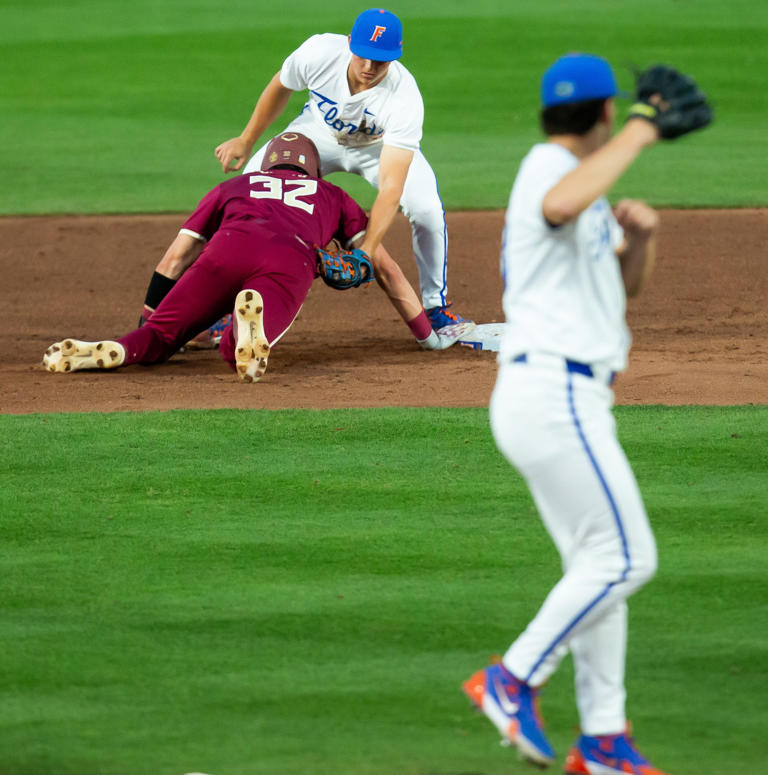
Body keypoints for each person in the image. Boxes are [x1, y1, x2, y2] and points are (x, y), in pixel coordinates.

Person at [461, 56, 712, 773]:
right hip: (553, 395)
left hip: (560, 396)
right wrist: (644, 132)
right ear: (607, 114)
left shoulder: (581, 189)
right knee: (628, 556)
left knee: (596, 564)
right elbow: (560, 206)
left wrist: (644, 238)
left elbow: (620, 283)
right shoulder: (548, 170)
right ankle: (512, 678)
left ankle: (605, 739)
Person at [42, 133, 460, 380]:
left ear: (268, 163)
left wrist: (152, 314)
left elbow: (176, 257)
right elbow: (383, 266)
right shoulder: (332, 195)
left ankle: (119, 347)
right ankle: (244, 328)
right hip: (288, 260)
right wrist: (426, 334)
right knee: (236, 353)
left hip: (227, 249)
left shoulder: (233, 188)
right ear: (312, 172)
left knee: (158, 338)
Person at [214, 7, 471, 331]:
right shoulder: (320, 52)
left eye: (380, 60)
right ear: (349, 42)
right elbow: (281, 85)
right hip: (316, 135)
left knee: (427, 210)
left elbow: (392, 186)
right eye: (362, 55)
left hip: (379, 149)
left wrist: (366, 251)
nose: (368, 66)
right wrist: (247, 139)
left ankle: (436, 308)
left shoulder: (404, 97)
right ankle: (222, 309)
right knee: (250, 188)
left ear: (397, 54)